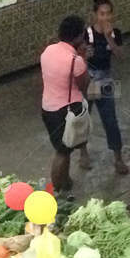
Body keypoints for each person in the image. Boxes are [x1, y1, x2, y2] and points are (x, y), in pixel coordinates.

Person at [41, 15, 90, 197]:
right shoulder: (75, 61)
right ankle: (56, 190)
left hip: (47, 108)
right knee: (62, 152)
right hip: (65, 111)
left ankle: (66, 181)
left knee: (65, 148)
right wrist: (83, 57)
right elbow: (84, 85)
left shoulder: (48, 51)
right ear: (78, 37)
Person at [86, 0, 127, 176]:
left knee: (110, 119)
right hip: (87, 80)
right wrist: (85, 54)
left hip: (105, 80)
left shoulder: (115, 33)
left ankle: (118, 158)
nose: (106, 17)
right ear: (95, 15)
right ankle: (83, 153)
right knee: (83, 118)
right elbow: (78, 58)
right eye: (102, 14)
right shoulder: (87, 34)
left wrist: (109, 38)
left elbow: (121, 56)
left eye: (109, 13)